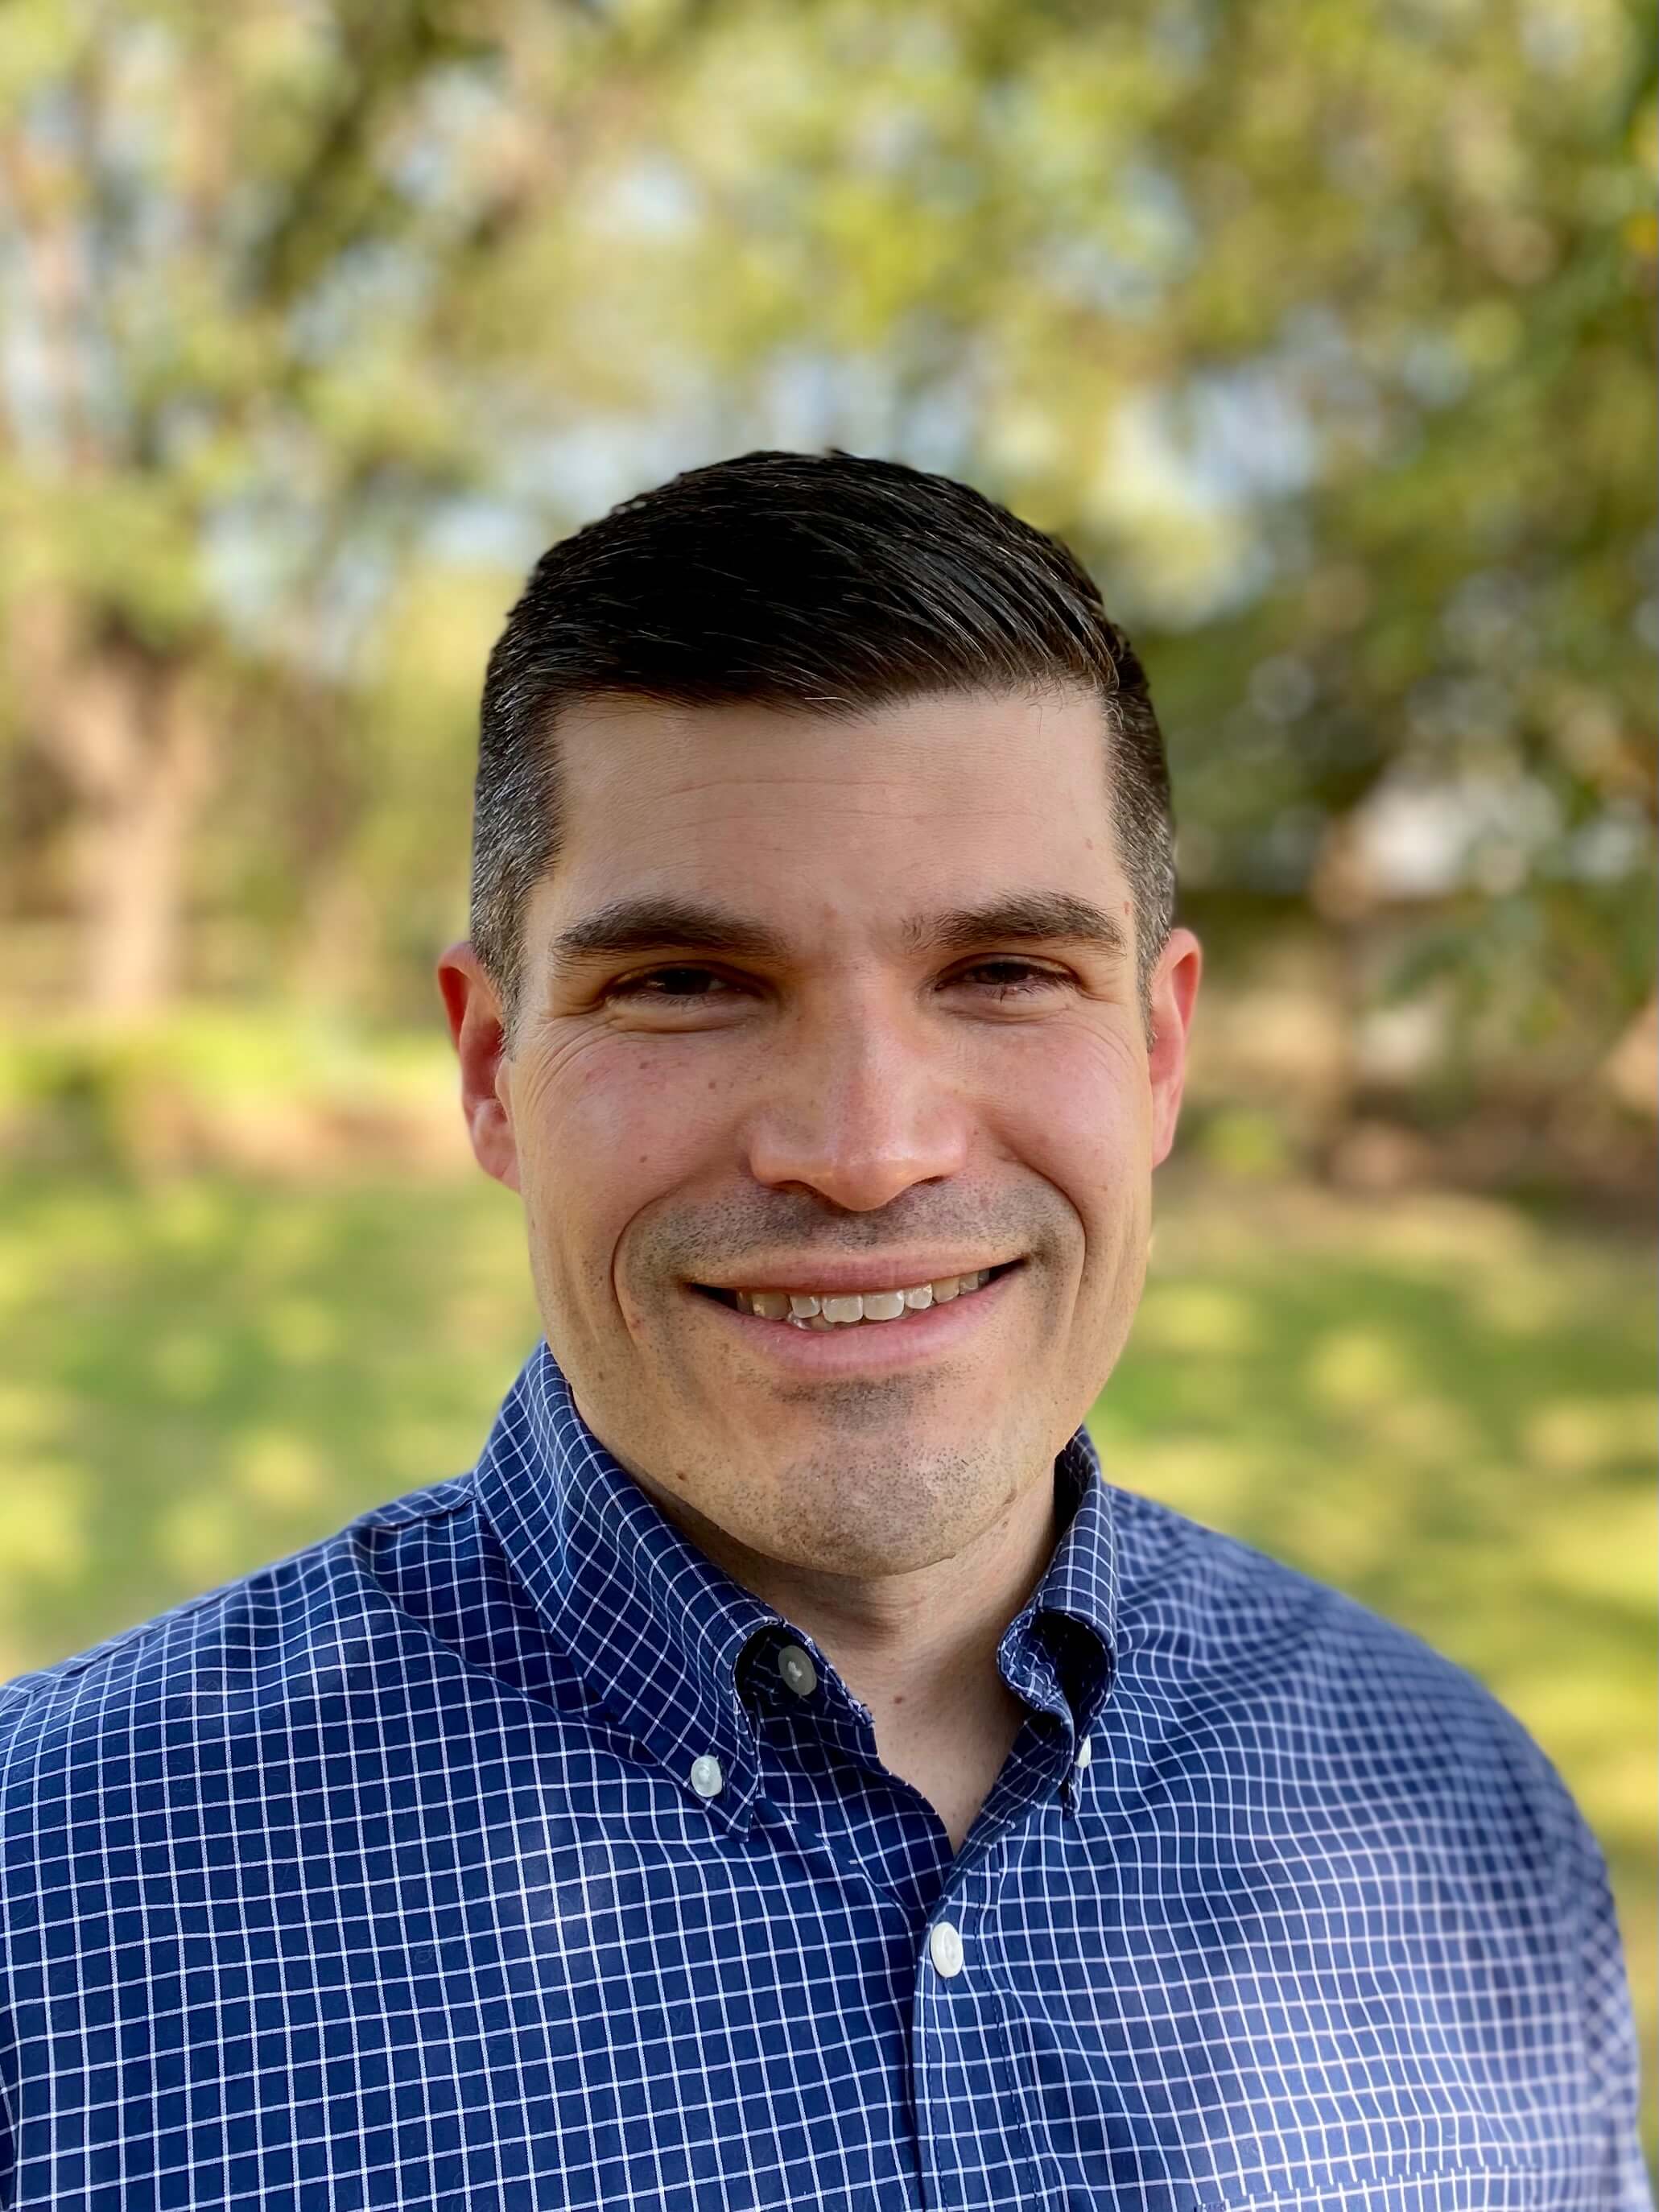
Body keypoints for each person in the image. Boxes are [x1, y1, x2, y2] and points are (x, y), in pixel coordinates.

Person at [0, 450, 1645, 2211]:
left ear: (1158, 1053)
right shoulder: (49, 1904)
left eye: (1003, 973)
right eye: (686, 984)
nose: (864, 1152)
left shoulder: (1464, 1813)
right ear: (489, 1069)